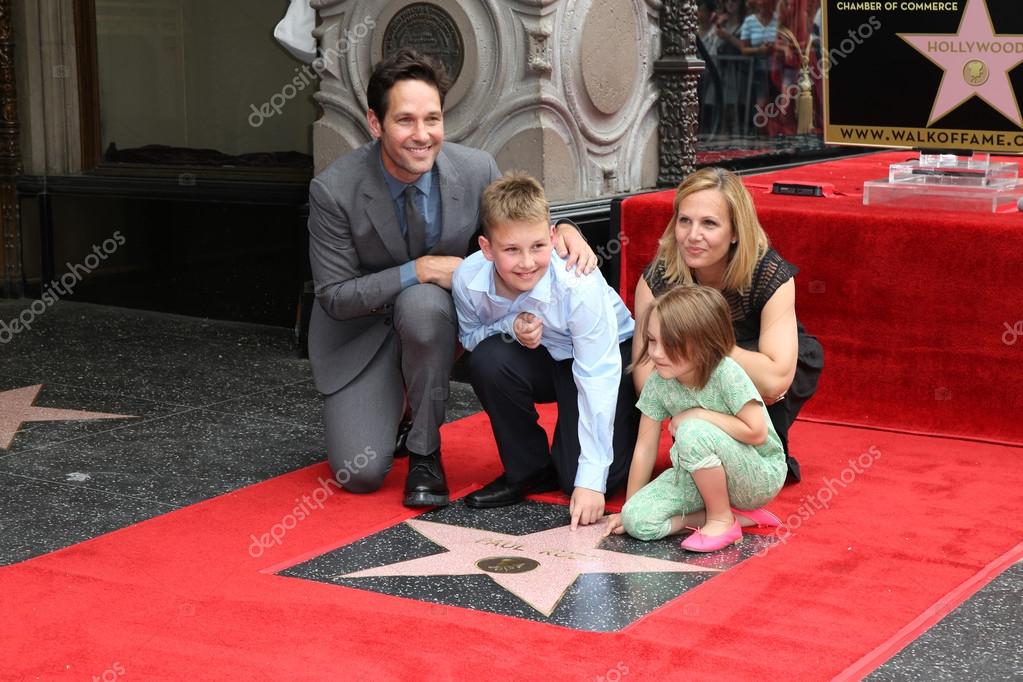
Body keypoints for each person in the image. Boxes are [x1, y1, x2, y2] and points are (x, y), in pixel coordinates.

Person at [307, 49, 596, 508]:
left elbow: (518, 221)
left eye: (432, 119)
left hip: (439, 325)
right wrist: (420, 269)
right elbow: (334, 296)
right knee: (360, 474)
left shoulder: (475, 169)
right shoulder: (333, 190)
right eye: (405, 121)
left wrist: (566, 230)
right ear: (375, 123)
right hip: (362, 331)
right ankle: (400, 407)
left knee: (422, 306)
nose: (422, 135)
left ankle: (424, 452)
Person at [452, 173, 639, 528]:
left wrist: (591, 481)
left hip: (606, 355)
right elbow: (471, 338)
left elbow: (597, 373)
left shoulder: (577, 283)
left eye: (538, 246)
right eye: (511, 250)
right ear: (487, 248)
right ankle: (529, 469)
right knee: (489, 360)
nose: (526, 262)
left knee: (591, 478)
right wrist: (510, 326)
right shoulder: (467, 278)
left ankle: (631, 415)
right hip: (543, 355)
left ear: (553, 237)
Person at [632, 167, 822, 482]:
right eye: (685, 220)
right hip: (695, 381)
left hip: (744, 369)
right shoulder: (657, 279)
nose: (693, 235)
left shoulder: (767, 274)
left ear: (735, 231)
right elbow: (646, 379)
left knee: (753, 470)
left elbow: (775, 381)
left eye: (709, 223)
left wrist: (703, 342)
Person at [604, 286, 786, 551]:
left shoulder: (725, 372)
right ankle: (731, 516)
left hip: (757, 475)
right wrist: (628, 506)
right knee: (636, 520)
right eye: (652, 340)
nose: (656, 353)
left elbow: (757, 432)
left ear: (704, 343)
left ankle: (722, 520)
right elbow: (645, 446)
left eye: (670, 344)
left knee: (691, 430)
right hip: (696, 476)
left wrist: (699, 415)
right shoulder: (658, 382)